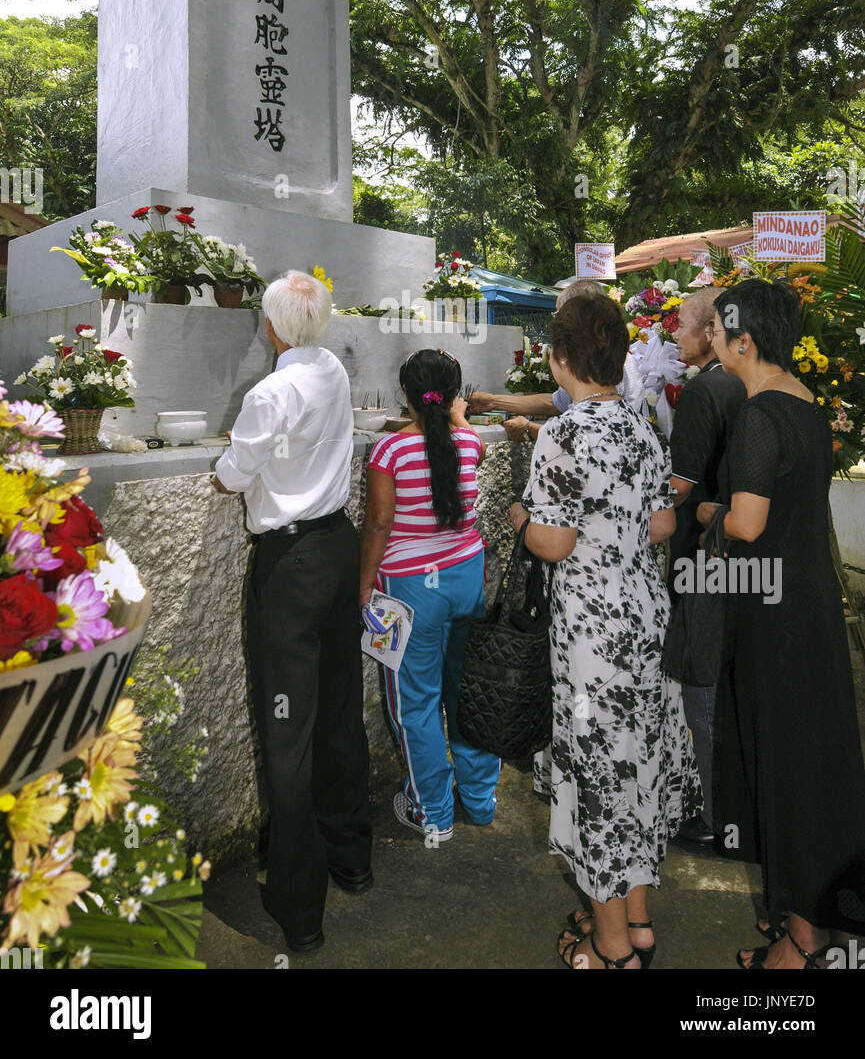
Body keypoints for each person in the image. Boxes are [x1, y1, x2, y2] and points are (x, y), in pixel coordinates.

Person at [511, 293, 701, 970]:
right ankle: (637, 920)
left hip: (593, 637)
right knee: (639, 764)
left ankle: (611, 946)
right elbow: (660, 526)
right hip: (646, 618)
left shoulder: (564, 432)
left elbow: (554, 543)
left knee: (596, 774)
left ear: (560, 357)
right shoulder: (640, 423)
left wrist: (517, 519)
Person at [699, 277, 865, 969]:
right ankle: (820, 929)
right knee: (816, 761)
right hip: (808, 608)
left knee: (788, 765)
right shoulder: (801, 401)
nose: (707, 340)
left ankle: (801, 944)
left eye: (713, 330)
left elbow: (745, 520)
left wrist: (705, 515)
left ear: (743, 340)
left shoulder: (759, 412)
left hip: (775, 618)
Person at [212, 270, 372, 955]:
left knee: (288, 727)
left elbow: (229, 474)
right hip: (337, 546)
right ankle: (352, 858)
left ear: (272, 327)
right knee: (338, 709)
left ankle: (299, 909)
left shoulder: (272, 390)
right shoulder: (330, 369)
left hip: (292, 566)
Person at [359, 348, 500, 842]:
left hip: (407, 591)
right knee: (467, 691)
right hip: (466, 576)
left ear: (406, 396)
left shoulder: (389, 452)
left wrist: (362, 592)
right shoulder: (467, 441)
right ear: (454, 396)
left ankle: (433, 812)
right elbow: (473, 444)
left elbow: (378, 523)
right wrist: (459, 417)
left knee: (414, 703)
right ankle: (480, 800)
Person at [668, 287, 746, 851]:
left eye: (682, 326)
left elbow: (683, 486)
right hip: (747, 556)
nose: (674, 335)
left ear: (711, 329)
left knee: (703, 689)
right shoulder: (752, 383)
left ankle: (719, 819)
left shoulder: (705, 391)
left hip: (705, 555)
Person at [471, 280, 643, 442]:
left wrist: (532, 429)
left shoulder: (608, 366)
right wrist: (492, 401)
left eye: (559, 315)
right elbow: (553, 403)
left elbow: (592, 438)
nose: (556, 323)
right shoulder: (587, 372)